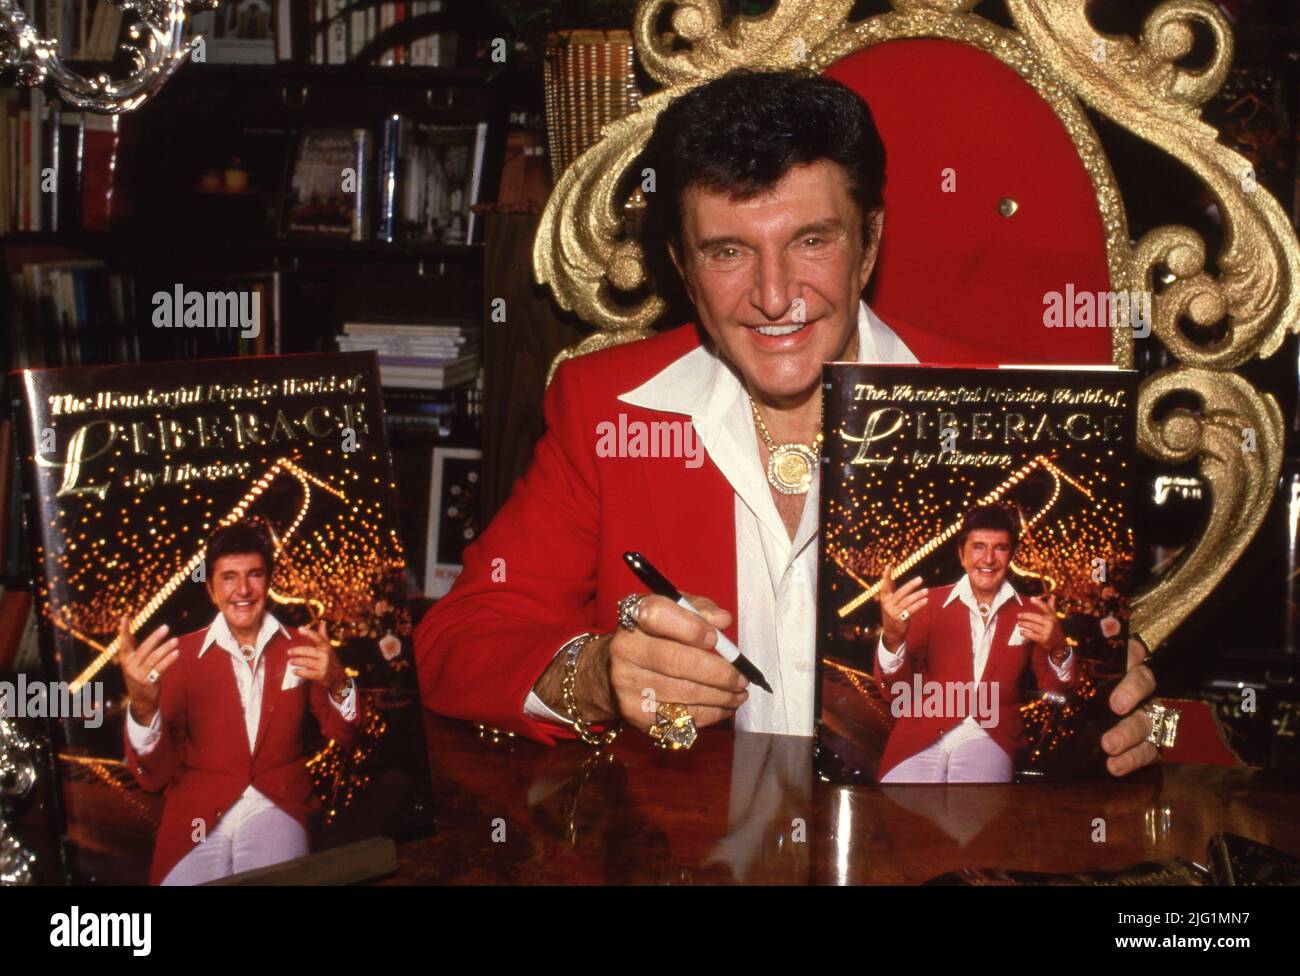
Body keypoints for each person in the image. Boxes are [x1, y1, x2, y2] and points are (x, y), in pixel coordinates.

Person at [414, 68, 1159, 777]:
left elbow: (1075, 671)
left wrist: (1108, 705)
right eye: (729, 251)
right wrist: (598, 677)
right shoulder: (606, 408)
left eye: (811, 241)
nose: (775, 297)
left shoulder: (1015, 415)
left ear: (868, 243)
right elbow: (456, 640)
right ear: (681, 264)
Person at [117, 519, 360, 885]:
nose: (243, 589)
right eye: (228, 577)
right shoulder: (179, 657)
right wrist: (143, 709)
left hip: (278, 805)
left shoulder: (304, 646)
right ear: (212, 590)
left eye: (255, 574)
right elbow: (154, 777)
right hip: (197, 818)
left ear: (269, 581)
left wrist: (338, 681)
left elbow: (347, 733)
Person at [874, 505, 1074, 783]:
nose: (989, 559)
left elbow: (1058, 691)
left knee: (971, 816)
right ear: (962, 554)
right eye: (978, 547)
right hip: (922, 730)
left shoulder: (1034, 611)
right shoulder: (926, 604)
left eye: (1000, 548)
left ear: (1012, 555)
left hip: (993, 733)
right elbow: (897, 693)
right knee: (900, 808)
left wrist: (1058, 649)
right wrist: (892, 640)